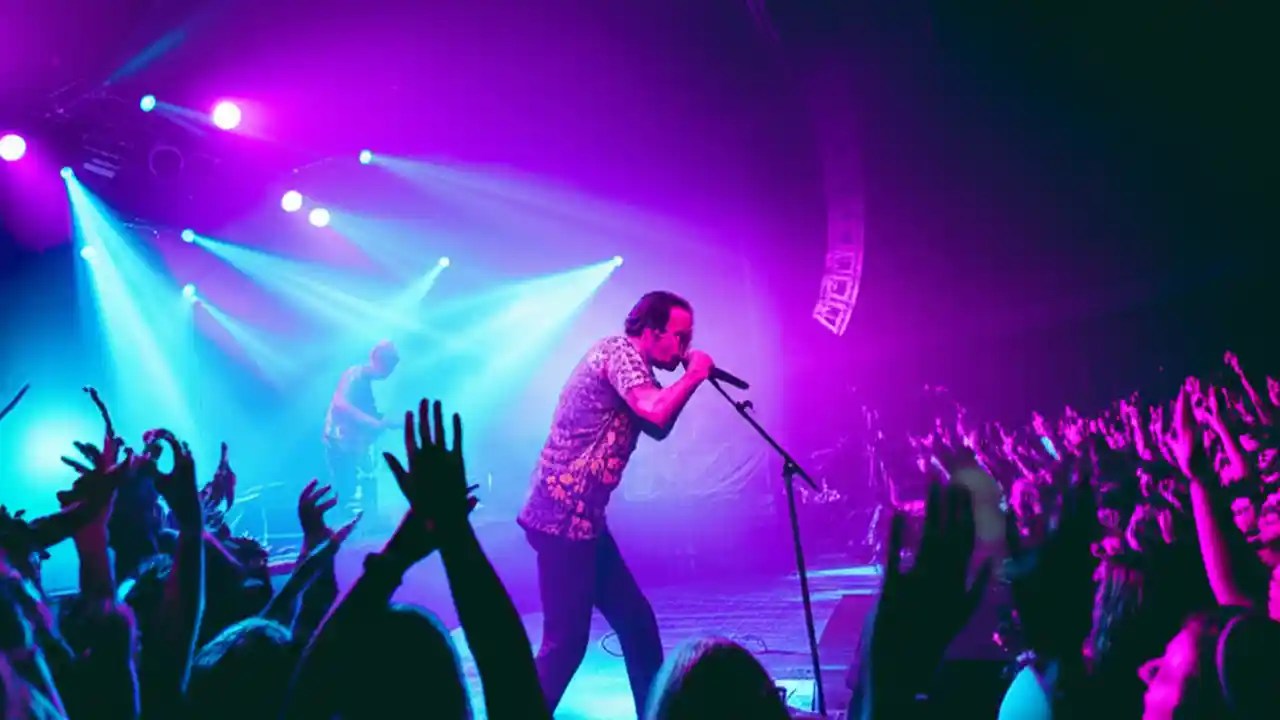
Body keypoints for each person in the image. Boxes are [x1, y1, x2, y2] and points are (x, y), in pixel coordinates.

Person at [517, 290, 715, 716]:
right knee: (565, 645)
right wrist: (694, 375)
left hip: (583, 522)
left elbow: (657, 425)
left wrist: (687, 380)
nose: (684, 347)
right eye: (679, 337)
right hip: (561, 519)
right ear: (650, 331)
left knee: (636, 623)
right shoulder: (619, 353)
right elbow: (656, 412)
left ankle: (658, 714)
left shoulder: (638, 367)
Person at [323, 340, 401, 520]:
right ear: (378, 360)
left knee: (364, 483)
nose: (391, 371)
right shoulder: (355, 375)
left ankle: (363, 523)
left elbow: (371, 414)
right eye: (390, 365)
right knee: (346, 488)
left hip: (355, 444)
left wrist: (387, 422)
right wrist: (373, 423)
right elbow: (341, 404)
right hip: (340, 441)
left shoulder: (370, 384)